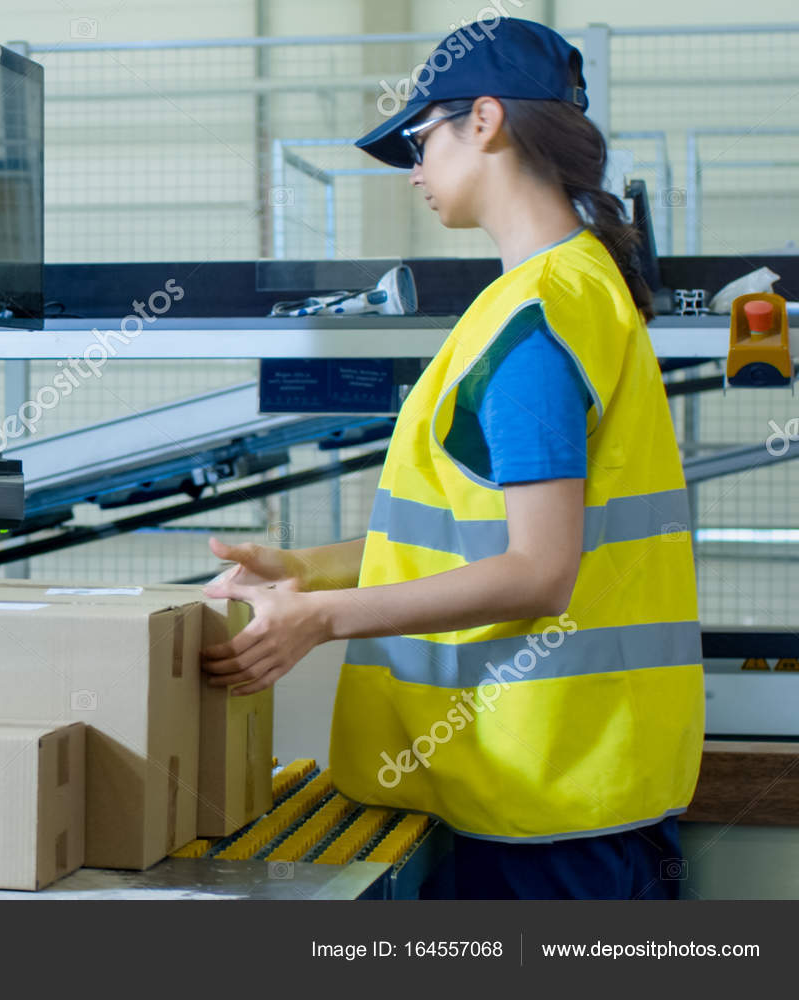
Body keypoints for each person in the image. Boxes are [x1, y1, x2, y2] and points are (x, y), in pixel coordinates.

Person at [199, 17, 703, 900]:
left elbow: (537, 572)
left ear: (485, 121)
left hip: (547, 810)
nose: (418, 173)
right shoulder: (564, 292)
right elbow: (478, 536)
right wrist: (304, 570)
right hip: (568, 787)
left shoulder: (535, 321)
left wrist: (321, 621)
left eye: (420, 141)